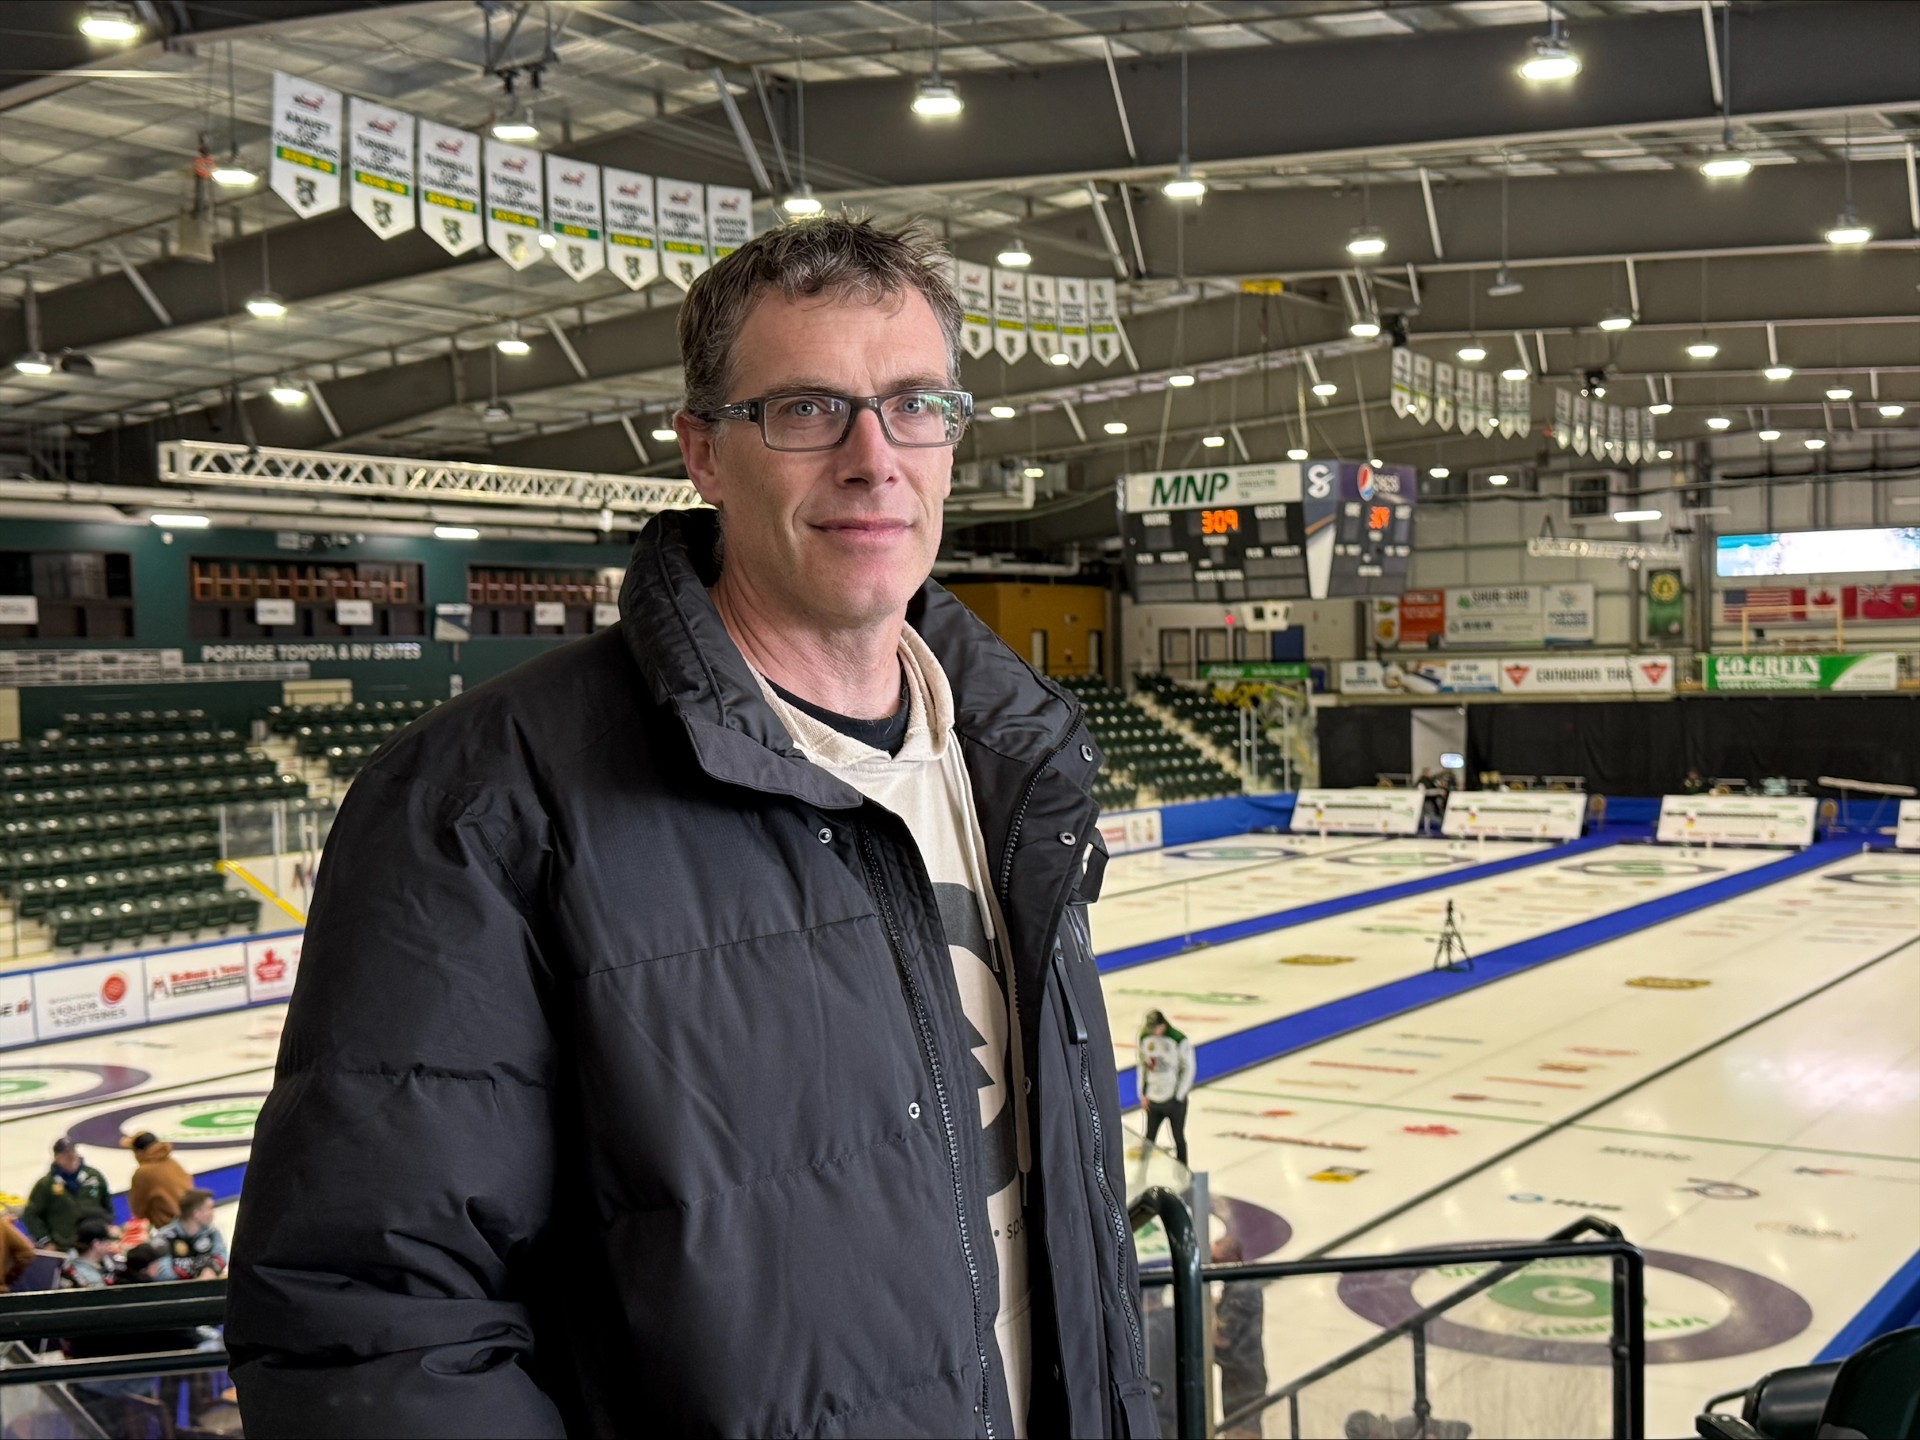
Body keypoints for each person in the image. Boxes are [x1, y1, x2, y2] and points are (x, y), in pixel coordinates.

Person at [229, 217, 1154, 1439]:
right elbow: (375, 1315)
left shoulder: (1017, 765)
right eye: (808, 409)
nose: (875, 458)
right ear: (705, 453)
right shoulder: (484, 800)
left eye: (916, 405)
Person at [1211, 1235, 1267, 1439]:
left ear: (1231, 1258)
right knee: (1233, 1429)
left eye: (1217, 1261)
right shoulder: (1233, 1287)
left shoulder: (1242, 1290)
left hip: (1245, 1379)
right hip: (1237, 1375)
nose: (1214, 1268)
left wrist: (1208, 1307)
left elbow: (1221, 1338)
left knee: (1242, 1431)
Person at [22, 1138, 112, 1252]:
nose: (71, 1157)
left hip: (96, 1242)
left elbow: (107, 1203)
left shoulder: (94, 1177)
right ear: (56, 1158)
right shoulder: (46, 1185)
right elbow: (31, 1215)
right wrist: (45, 1241)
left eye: (72, 1152)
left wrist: (108, 1224)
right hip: (65, 1245)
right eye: (65, 1154)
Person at [1137, 1010, 1196, 1166]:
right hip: (1153, 1098)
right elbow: (1142, 1067)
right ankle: (1141, 1173)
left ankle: (1184, 1171)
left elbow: (1188, 1068)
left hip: (1173, 1099)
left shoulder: (1178, 1039)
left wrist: (1179, 1095)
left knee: (1178, 1137)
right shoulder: (1145, 1038)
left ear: (1163, 1025)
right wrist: (1143, 1094)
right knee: (1149, 1138)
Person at [123, 1130, 195, 1228]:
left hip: (172, 1228)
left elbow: (138, 1211)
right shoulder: (172, 1162)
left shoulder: (143, 1173)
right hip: (192, 1219)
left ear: (138, 1153)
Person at [153, 1190, 227, 1280]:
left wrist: (209, 1270)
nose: (213, 1213)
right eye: (209, 1208)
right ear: (197, 1214)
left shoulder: (212, 1233)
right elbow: (163, 1274)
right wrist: (196, 1278)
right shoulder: (164, 1237)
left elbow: (222, 1257)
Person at [62, 1217, 120, 1289]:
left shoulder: (66, 1263)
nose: (109, 1244)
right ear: (97, 1244)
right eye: (107, 1241)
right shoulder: (89, 1278)